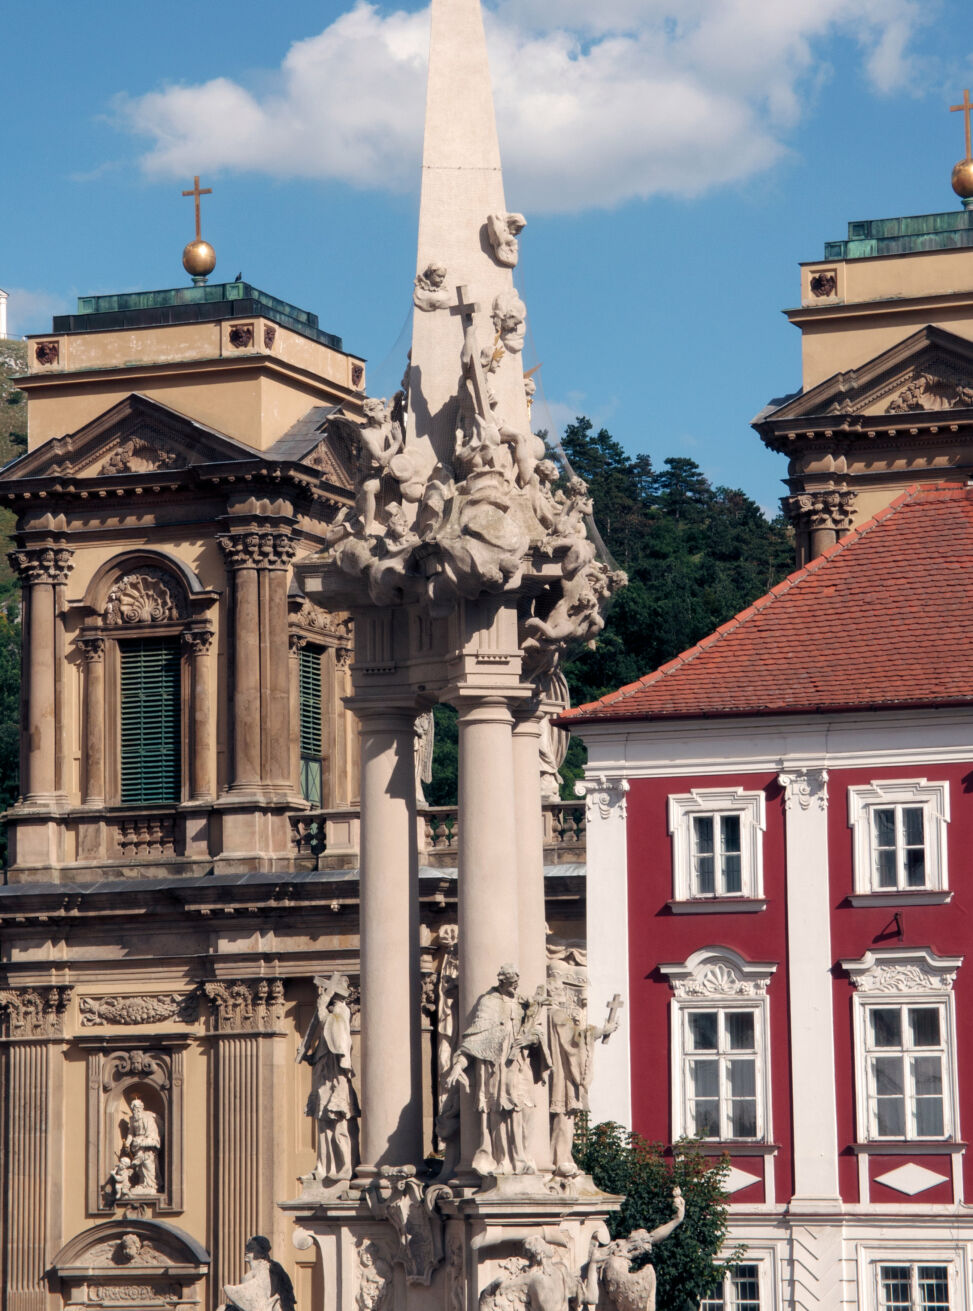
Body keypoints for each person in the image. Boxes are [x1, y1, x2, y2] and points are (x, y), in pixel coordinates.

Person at [445, 965, 549, 1175]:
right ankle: (504, 1161)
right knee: (498, 1111)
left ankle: (523, 1157)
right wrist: (458, 1065)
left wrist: (530, 1039)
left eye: (517, 984)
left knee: (525, 1110)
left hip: (520, 1064)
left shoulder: (524, 1003)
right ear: (502, 982)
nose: (515, 987)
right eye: (511, 984)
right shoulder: (489, 1002)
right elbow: (475, 1039)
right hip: (496, 1067)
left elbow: (537, 1031)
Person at [297, 973, 359, 1184]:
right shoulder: (333, 1013)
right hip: (325, 1075)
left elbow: (337, 1040)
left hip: (335, 1077)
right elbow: (327, 1044)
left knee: (338, 1122)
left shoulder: (341, 1011)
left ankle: (343, 1167)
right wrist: (312, 1056)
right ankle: (323, 1167)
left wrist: (322, 1008)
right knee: (323, 1122)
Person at [219, 1236, 296, 1311]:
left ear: (261, 1253)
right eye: (247, 1248)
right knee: (223, 1308)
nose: (246, 1252)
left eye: (251, 1249)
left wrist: (229, 1289)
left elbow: (256, 1302)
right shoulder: (265, 1268)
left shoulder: (264, 1269)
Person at [124, 1098, 162, 1194]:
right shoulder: (132, 1119)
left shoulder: (147, 1117)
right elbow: (131, 1133)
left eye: (137, 1109)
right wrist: (127, 1143)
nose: (135, 1111)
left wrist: (144, 1142)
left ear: (141, 1108)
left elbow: (152, 1132)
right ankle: (142, 1183)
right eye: (133, 1109)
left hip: (147, 1144)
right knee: (139, 1167)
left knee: (148, 1164)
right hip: (136, 1145)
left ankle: (151, 1184)